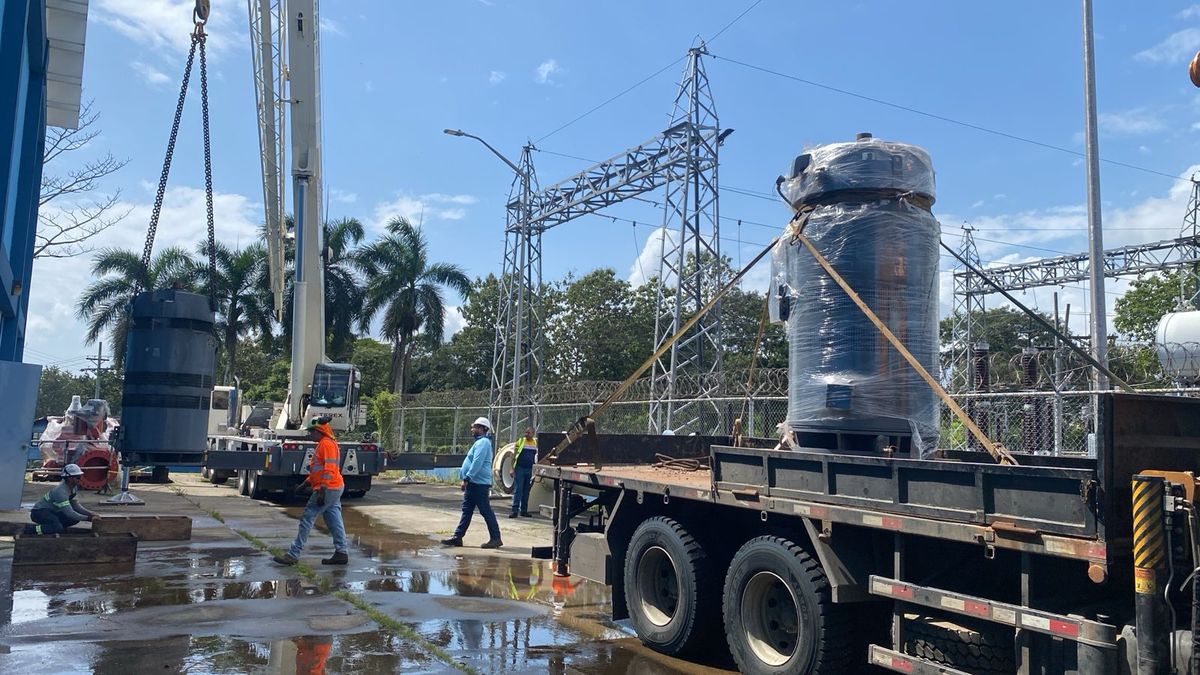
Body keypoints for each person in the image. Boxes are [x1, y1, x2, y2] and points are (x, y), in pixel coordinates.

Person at [274, 416, 349, 566]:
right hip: (334, 487)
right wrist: (305, 484)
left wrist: (322, 490)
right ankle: (341, 552)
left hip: (327, 488)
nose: (310, 435)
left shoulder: (326, 444)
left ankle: (293, 554)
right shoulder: (326, 443)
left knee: (307, 518)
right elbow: (318, 470)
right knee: (334, 520)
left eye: (312, 432)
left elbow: (329, 469)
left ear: (320, 431)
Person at [442, 417, 503, 549]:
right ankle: (457, 537)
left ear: (482, 428)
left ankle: (496, 538)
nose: (472, 429)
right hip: (474, 483)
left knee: (485, 510)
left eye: (474, 427)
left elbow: (477, 462)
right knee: (467, 510)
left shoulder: (483, 443)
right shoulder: (480, 442)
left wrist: (467, 478)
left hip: (478, 484)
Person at [29, 463, 99, 534]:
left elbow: (75, 506)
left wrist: (90, 514)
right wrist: (88, 518)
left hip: (52, 511)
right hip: (39, 512)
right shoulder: (61, 492)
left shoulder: (73, 488)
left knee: (74, 519)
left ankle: (56, 527)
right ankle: (32, 529)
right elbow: (70, 513)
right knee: (57, 527)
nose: (80, 479)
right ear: (70, 478)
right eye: (78, 477)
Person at [509, 426, 537, 518]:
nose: (526, 434)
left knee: (526, 491)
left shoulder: (535, 443)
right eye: (526, 432)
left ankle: (524, 510)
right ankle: (514, 511)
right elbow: (514, 456)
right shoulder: (520, 441)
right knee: (518, 490)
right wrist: (512, 468)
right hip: (520, 468)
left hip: (530, 470)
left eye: (529, 433)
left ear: (533, 434)